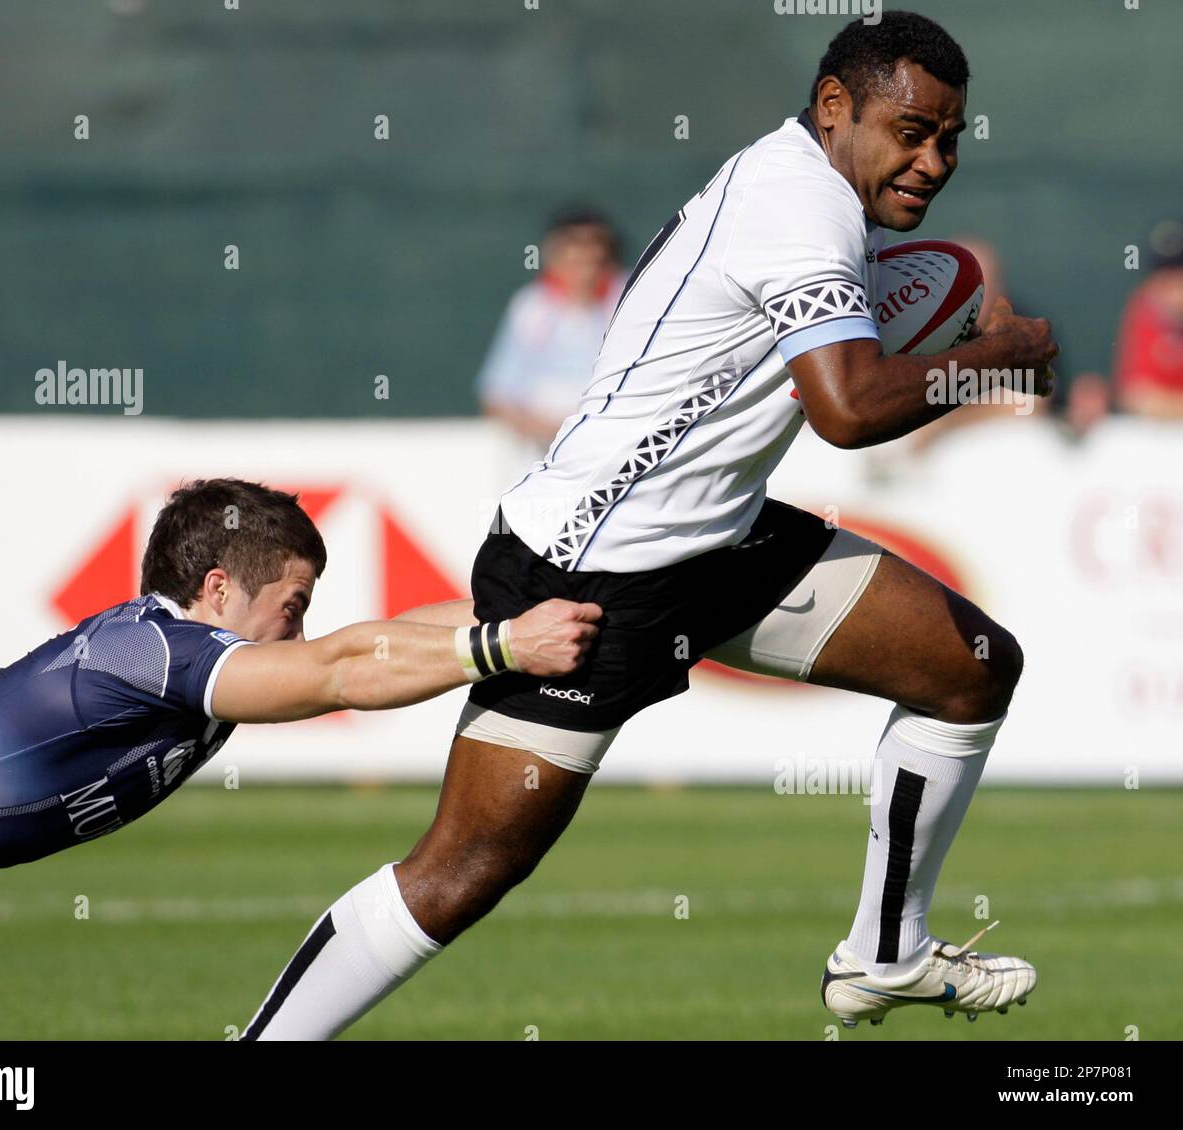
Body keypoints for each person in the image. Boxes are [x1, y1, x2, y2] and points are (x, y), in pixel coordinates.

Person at [243, 12, 1057, 1040]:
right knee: (459, 871)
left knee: (970, 664)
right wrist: (998, 355)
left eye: (950, 137)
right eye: (911, 130)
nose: (933, 159)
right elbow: (847, 410)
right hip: (591, 574)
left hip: (720, 542)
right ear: (834, 107)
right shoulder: (798, 205)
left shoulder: (812, 189)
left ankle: (884, 954)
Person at [0, 478, 600, 880]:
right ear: (218, 588)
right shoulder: (152, 652)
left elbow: (390, 634)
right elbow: (341, 670)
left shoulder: (180, 656)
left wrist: (564, 607)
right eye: (293, 607)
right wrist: (505, 644)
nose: (301, 633)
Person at [477, 208, 625, 454]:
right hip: (541, 454)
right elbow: (496, 395)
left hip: (612, 448)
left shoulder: (629, 300)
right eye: (574, 246)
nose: (585, 257)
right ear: (553, 254)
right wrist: (547, 431)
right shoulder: (531, 308)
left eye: (594, 246)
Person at [1113, 220, 1183, 420]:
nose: (1173, 290)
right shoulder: (1144, 306)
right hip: (1158, 438)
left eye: (1179, 275)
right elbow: (1133, 395)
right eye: (1164, 277)